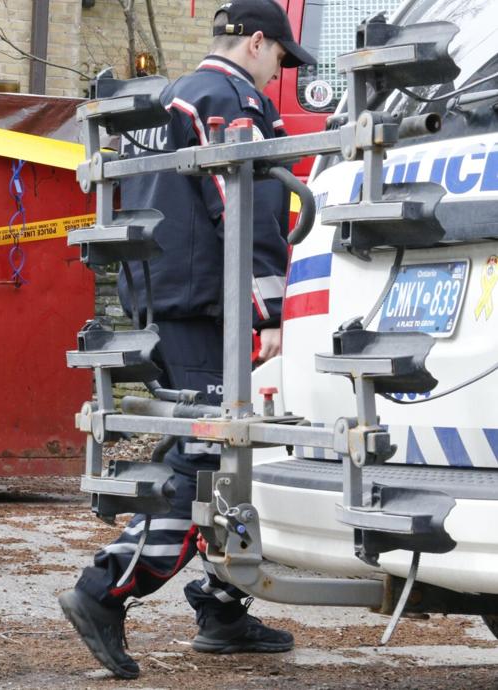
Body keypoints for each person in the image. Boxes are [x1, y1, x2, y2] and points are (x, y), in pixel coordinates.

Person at [58, 0, 316, 679]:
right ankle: (105, 591)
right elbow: (248, 205)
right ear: (256, 43)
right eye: (279, 62)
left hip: (163, 296)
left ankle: (221, 608)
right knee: (207, 460)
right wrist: (267, 312)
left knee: (224, 452)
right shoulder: (229, 99)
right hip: (206, 303)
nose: (275, 77)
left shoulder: (172, 95)